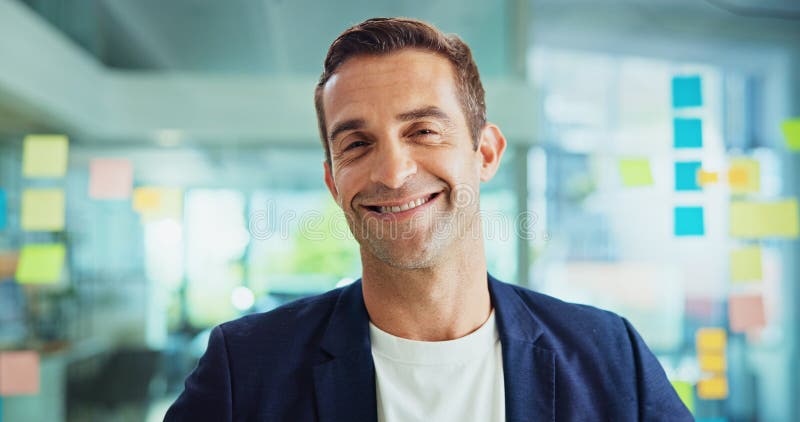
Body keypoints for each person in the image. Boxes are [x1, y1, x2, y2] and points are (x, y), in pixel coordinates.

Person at [165, 17, 693, 421]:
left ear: (485, 153)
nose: (393, 173)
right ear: (333, 181)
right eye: (357, 143)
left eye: (423, 131)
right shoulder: (247, 370)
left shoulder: (610, 358)